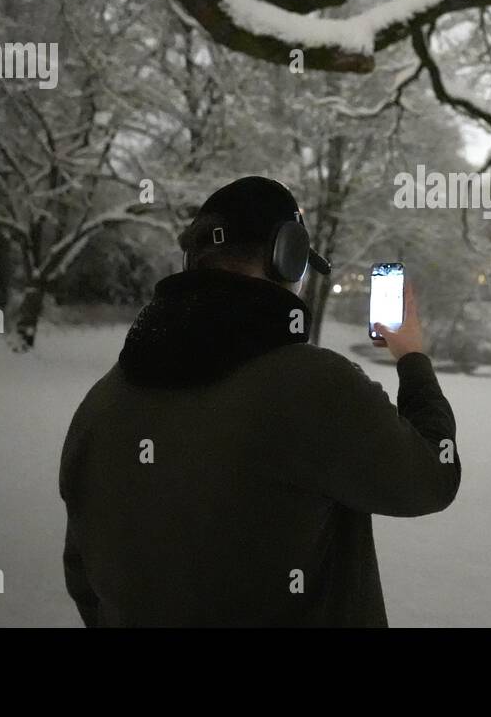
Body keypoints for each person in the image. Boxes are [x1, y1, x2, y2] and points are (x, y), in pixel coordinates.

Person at [58, 176, 461, 626]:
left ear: (191, 259)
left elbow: (84, 576)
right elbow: (432, 475)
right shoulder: (315, 388)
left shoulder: (100, 404)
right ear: (287, 256)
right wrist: (413, 358)